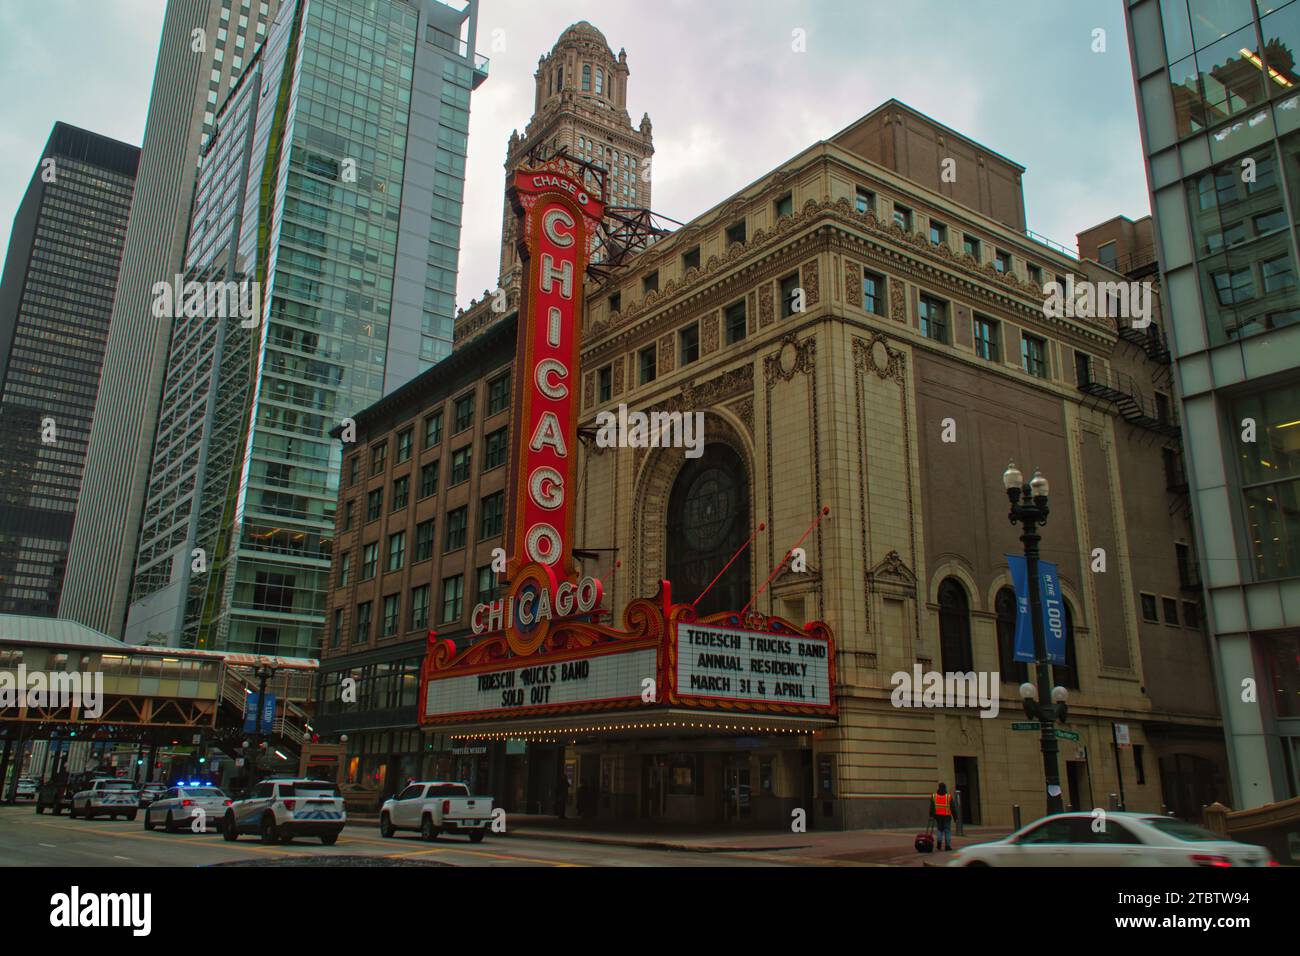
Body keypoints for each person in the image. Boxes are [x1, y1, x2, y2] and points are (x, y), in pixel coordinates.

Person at [929, 782, 954, 851]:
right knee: (947, 831)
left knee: (939, 830)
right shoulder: (949, 796)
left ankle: (939, 844)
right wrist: (956, 817)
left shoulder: (934, 796)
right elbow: (953, 807)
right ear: (945, 788)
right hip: (947, 816)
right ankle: (947, 846)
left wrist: (931, 815)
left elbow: (932, 807)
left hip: (938, 816)